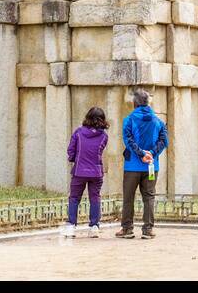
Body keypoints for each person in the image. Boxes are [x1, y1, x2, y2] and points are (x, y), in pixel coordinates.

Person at [117, 88, 168, 240]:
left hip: (132, 166)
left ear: (134, 103)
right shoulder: (158, 121)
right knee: (149, 197)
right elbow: (164, 141)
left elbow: (128, 140)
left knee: (128, 197)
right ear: (148, 102)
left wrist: (141, 154)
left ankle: (127, 229)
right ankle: (148, 230)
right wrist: (151, 154)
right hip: (152, 165)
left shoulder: (129, 120)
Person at [64, 107, 109, 238]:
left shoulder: (78, 132)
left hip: (79, 171)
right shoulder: (104, 136)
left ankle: (71, 227)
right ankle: (94, 227)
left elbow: (71, 151)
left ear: (87, 117)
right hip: (96, 172)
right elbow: (99, 151)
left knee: (74, 198)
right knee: (95, 198)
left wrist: (74, 159)